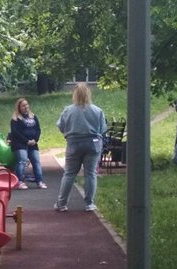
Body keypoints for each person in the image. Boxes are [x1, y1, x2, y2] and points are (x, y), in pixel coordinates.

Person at [54, 83, 107, 212]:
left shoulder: (68, 110)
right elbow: (103, 129)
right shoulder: (97, 111)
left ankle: (62, 203)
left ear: (75, 95)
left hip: (73, 143)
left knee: (69, 174)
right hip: (93, 143)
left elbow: (61, 126)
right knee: (90, 173)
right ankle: (89, 204)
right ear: (88, 94)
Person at [9, 97, 47, 190]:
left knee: (36, 161)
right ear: (19, 107)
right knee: (22, 160)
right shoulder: (15, 119)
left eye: (26, 104)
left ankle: (39, 181)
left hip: (33, 143)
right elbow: (15, 132)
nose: (26, 107)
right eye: (23, 105)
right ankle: (20, 182)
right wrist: (26, 141)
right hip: (20, 144)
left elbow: (38, 129)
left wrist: (35, 140)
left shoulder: (33, 116)